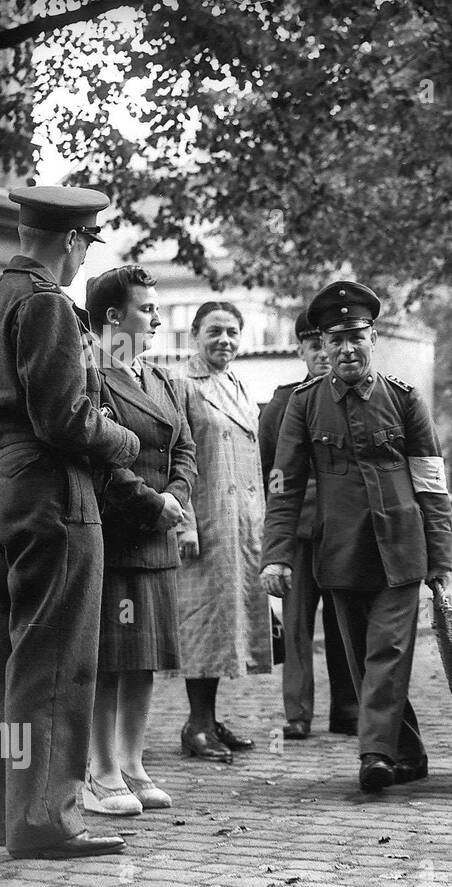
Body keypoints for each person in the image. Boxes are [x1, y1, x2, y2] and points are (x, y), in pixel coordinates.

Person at [0, 186, 140, 859]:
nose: (83, 260)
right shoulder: (48, 306)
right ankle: (43, 822)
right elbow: (67, 420)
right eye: (87, 245)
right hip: (55, 501)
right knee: (53, 660)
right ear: (70, 240)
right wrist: (123, 441)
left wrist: (11, 450)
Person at [260, 281, 452, 793]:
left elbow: (432, 483)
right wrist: (276, 555)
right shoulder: (304, 405)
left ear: (374, 339)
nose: (346, 349)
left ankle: (374, 755)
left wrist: (440, 559)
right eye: (335, 340)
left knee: (387, 652)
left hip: (401, 551)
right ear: (321, 345)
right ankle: (408, 752)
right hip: (340, 551)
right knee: (364, 658)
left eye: (356, 337)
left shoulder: (407, 401)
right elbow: (284, 484)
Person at [83, 265, 197, 812]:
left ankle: (132, 763)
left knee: (144, 657)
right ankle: (100, 771)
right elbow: (102, 458)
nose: (155, 317)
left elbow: (186, 448)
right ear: (113, 316)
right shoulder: (92, 374)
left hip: (159, 538)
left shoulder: (162, 379)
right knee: (110, 657)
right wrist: (155, 505)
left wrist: (176, 492)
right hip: (118, 534)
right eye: (147, 308)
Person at [172, 301, 274, 762]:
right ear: (195, 334)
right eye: (214, 331)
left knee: (229, 623)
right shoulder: (181, 384)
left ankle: (209, 721)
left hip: (242, 526)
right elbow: (176, 457)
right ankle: (195, 726)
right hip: (206, 525)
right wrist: (185, 523)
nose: (225, 341)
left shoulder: (236, 383)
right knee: (204, 623)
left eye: (233, 332)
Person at [258, 311, 359, 740]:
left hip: (342, 535)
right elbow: (270, 471)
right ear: (300, 349)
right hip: (299, 534)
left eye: (328, 343)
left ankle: (349, 709)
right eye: (313, 345)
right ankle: (297, 712)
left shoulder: (353, 400)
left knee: (344, 626)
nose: (323, 353)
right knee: (297, 627)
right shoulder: (285, 401)